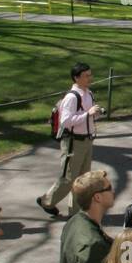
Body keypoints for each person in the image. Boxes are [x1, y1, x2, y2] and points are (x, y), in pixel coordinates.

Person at [37, 62, 103, 218]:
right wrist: (88, 114)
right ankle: (46, 201)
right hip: (73, 142)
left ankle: (75, 213)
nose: (90, 78)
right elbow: (66, 121)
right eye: (86, 76)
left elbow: (88, 115)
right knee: (68, 179)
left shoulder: (89, 94)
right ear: (76, 78)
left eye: (90, 75)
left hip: (87, 141)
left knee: (82, 180)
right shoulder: (72, 97)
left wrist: (95, 113)